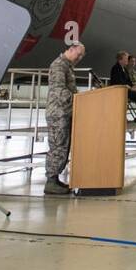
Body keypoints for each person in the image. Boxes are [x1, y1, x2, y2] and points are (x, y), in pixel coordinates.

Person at [45, 42, 85, 195]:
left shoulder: (68, 66)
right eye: (78, 54)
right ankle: (50, 181)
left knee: (63, 146)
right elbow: (59, 90)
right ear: (71, 49)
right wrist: (78, 99)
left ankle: (55, 179)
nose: (79, 57)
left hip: (66, 112)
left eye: (82, 55)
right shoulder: (59, 66)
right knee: (57, 146)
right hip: (58, 113)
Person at [110, 51, 136, 121]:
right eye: (126, 58)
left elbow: (129, 81)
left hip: (126, 90)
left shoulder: (124, 69)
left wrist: (133, 86)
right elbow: (118, 82)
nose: (127, 60)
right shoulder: (115, 68)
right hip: (119, 91)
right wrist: (129, 87)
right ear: (120, 59)